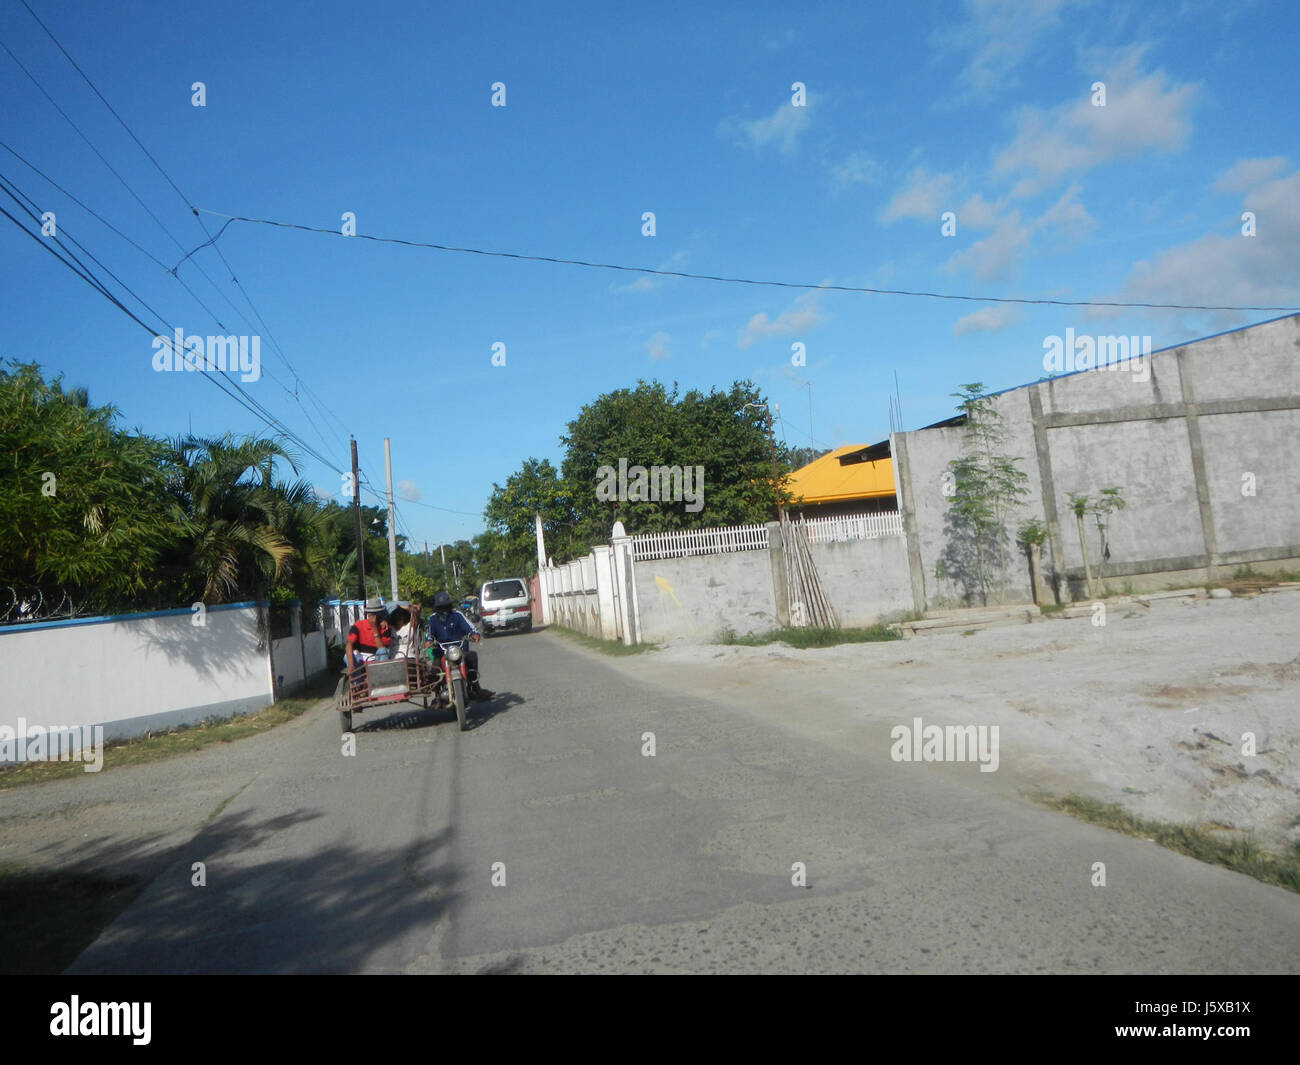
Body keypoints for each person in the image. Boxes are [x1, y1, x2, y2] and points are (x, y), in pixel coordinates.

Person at [426, 591, 493, 700]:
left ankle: (475, 687)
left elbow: (470, 628)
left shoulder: (457, 615)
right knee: (434, 669)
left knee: (472, 657)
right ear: (436, 608)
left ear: (449, 606)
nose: (443, 610)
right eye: (440, 607)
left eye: (445, 607)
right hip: (442, 652)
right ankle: (437, 695)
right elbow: (428, 635)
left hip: (460, 650)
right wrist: (429, 641)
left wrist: (474, 634)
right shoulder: (432, 619)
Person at [345, 598, 393, 690]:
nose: (373, 617)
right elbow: (349, 644)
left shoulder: (385, 627)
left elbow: (382, 649)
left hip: (377, 659)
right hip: (361, 659)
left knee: (383, 651)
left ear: (380, 615)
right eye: (371, 614)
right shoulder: (359, 625)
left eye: (376, 614)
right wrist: (351, 665)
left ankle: (374, 681)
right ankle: (358, 684)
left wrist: (374, 628)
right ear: (367, 614)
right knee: (346, 656)